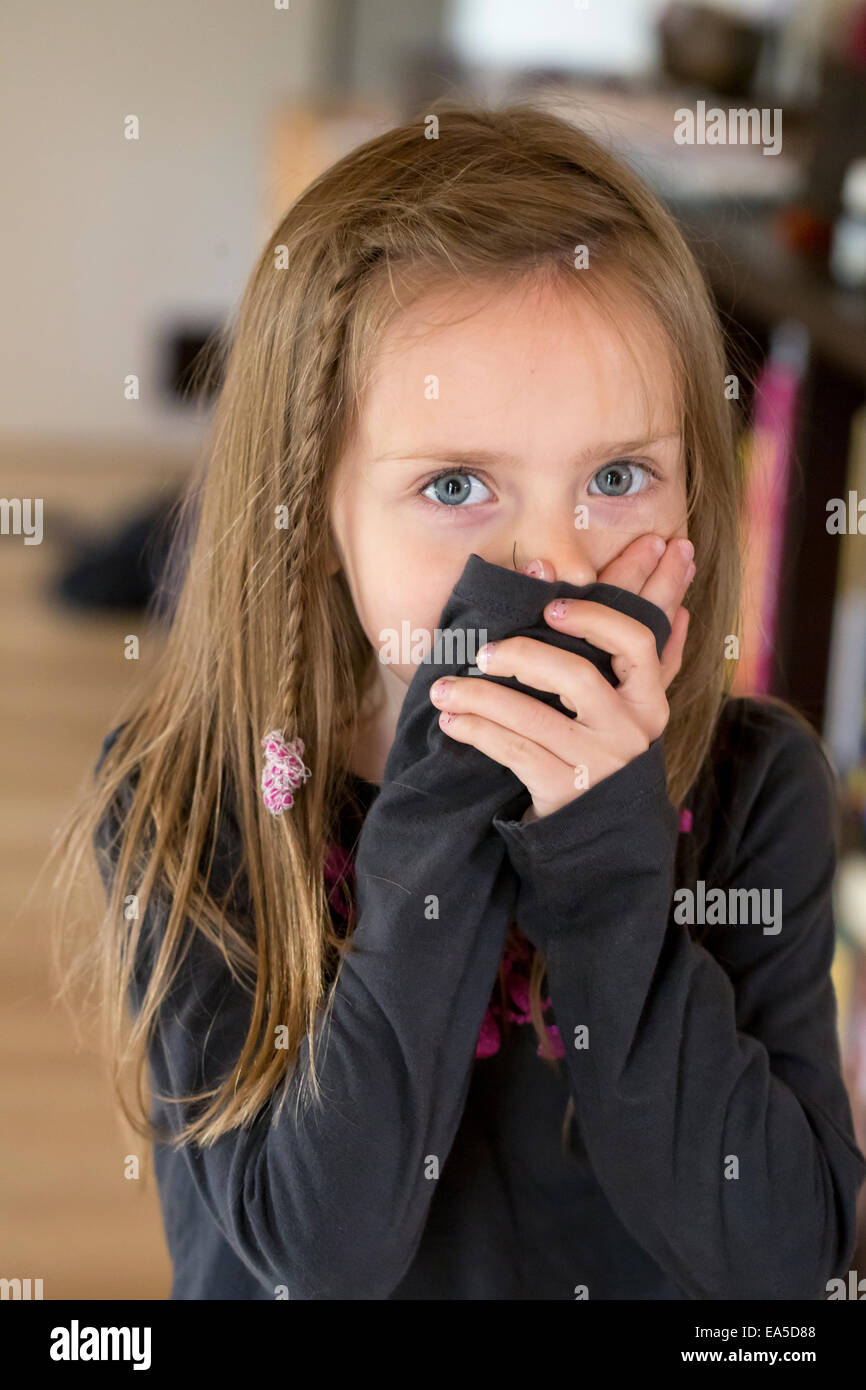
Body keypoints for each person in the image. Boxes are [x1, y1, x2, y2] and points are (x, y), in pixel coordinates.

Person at [51, 101, 866, 1300]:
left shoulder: (752, 788)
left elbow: (784, 1261)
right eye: (453, 484)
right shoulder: (201, 795)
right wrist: (452, 791)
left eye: (618, 476)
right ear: (312, 510)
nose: (553, 564)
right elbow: (319, 1257)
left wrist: (601, 861)